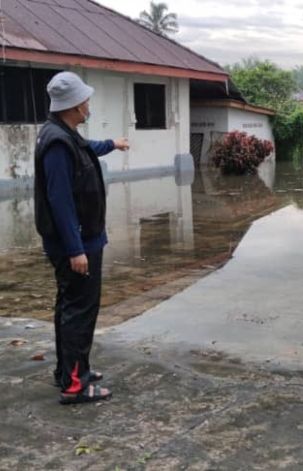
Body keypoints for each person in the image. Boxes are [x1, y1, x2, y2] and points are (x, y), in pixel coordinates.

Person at [33, 71, 129, 404]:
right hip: (77, 244)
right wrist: (75, 249)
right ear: (74, 105)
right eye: (85, 100)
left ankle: (70, 370)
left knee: (69, 307)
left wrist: (113, 145)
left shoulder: (64, 134)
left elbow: (88, 148)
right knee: (79, 311)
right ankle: (76, 384)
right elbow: (60, 201)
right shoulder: (57, 143)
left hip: (82, 240)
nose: (88, 104)